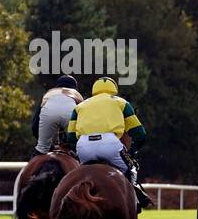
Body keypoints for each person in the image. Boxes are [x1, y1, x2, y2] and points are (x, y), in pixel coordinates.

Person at [65, 76, 151, 208]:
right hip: (110, 144)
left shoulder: (80, 106)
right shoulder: (121, 103)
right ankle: (135, 200)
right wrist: (132, 151)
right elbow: (140, 133)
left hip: (84, 146)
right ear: (114, 89)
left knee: (80, 174)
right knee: (130, 169)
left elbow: (70, 137)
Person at [32, 75, 84, 154]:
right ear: (75, 88)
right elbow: (82, 127)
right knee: (78, 150)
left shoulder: (48, 94)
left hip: (49, 112)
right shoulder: (77, 95)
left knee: (41, 148)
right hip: (70, 112)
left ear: (57, 87)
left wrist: (49, 146)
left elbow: (35, 127)